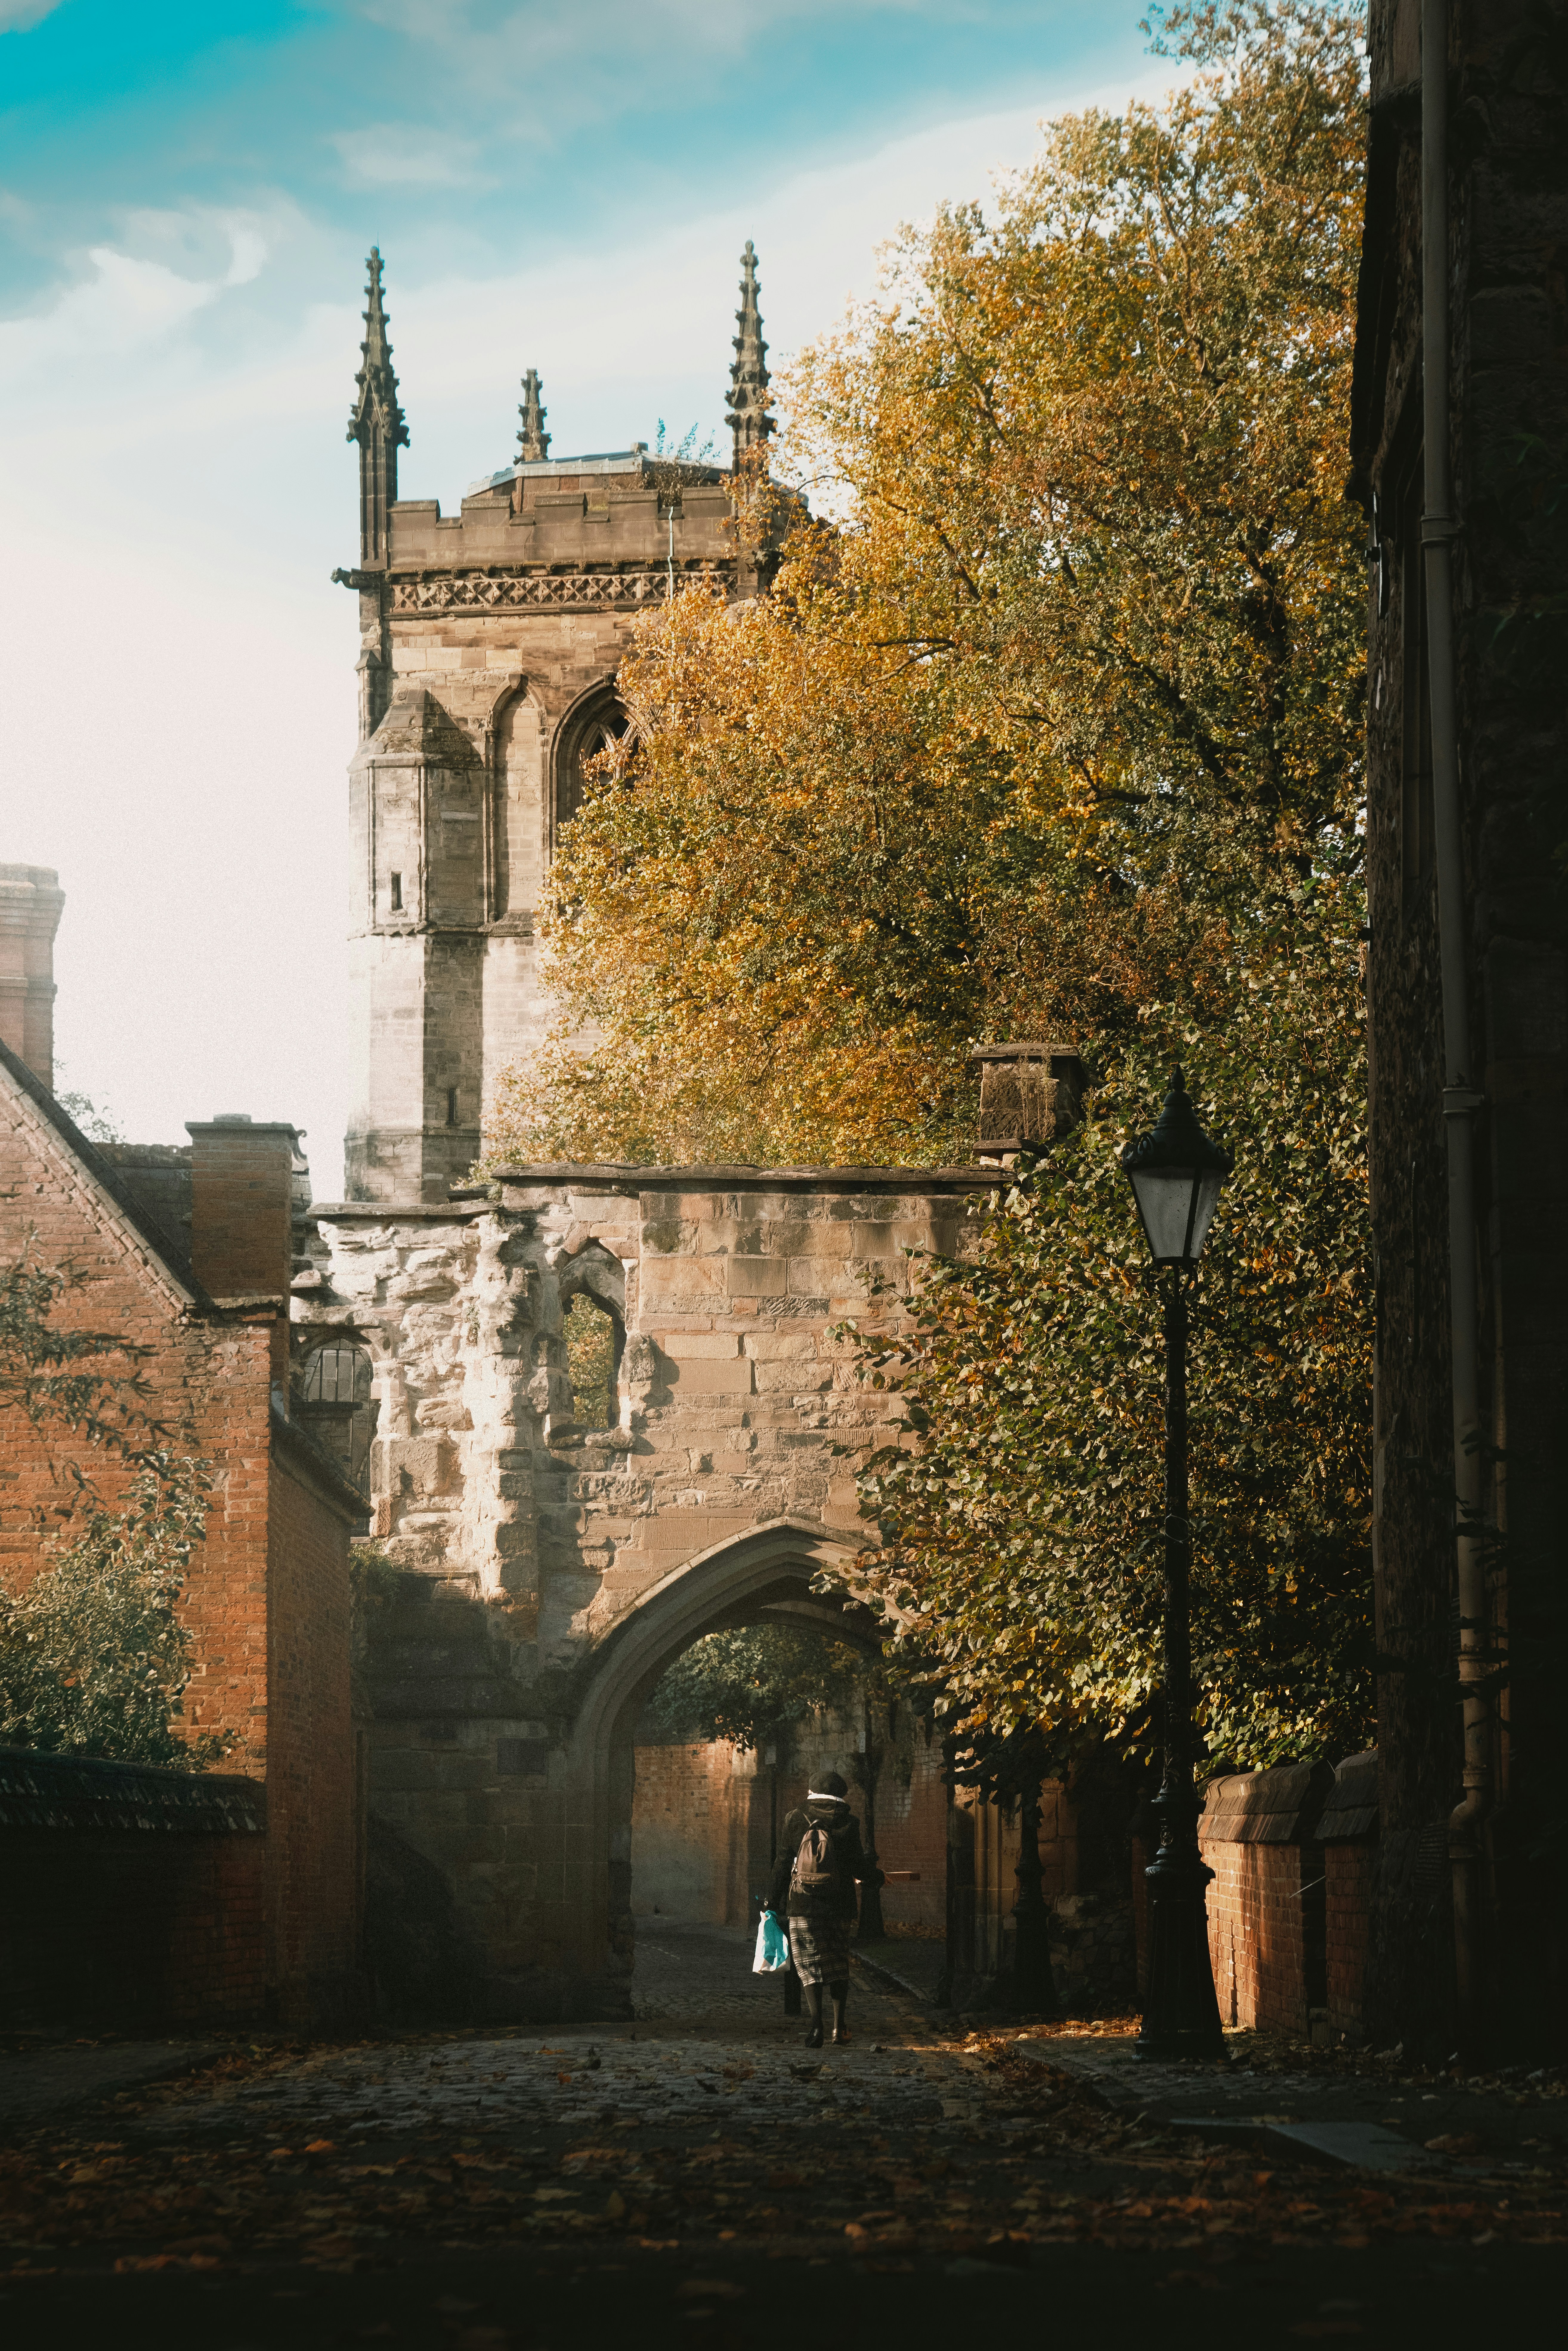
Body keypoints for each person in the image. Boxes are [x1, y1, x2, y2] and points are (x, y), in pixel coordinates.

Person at [766, 1770, 869, 2048]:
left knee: (808, 1965)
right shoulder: (850, 1822)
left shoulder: (795, 1818)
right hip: (840, 1905)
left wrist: (771, 1902)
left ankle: (815, 2026)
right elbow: (860, 1867)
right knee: (837, 1963)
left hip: (802, 1905)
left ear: (812, 1791)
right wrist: (877, 1874)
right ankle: (840, 2026)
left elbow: (783, 1862)